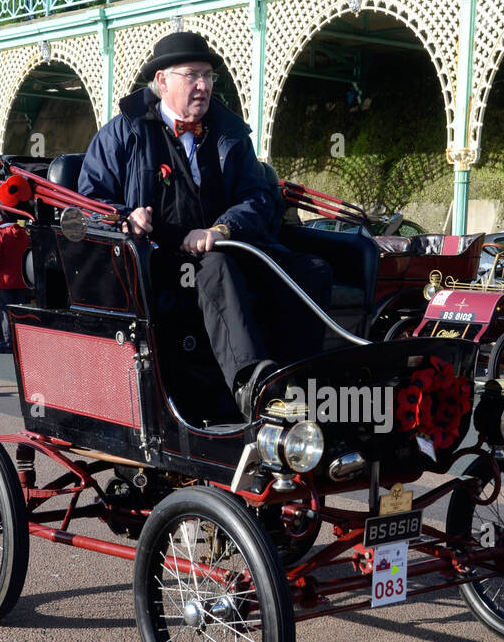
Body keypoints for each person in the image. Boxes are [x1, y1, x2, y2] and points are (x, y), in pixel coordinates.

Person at [78, 31, 332, 417]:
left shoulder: (230, 132)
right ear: (162, 81)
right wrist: (126, 217)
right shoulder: (123, 132)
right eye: (192, 75)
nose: (203, 85)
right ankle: (253, 385)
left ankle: (298, 384)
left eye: (209, 76)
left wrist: (221, 230)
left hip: (230, 245)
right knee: (215, 268)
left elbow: (259, 197)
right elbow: (89, 200)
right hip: (155, 261)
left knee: (312, 270)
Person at [0, 216, 30, 353]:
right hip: (22, 279)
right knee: (19, 312)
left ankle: (7, 342)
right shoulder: (24, 234)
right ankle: (20, 342)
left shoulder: (0, 234)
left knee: (5, 313)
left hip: (3, 280)